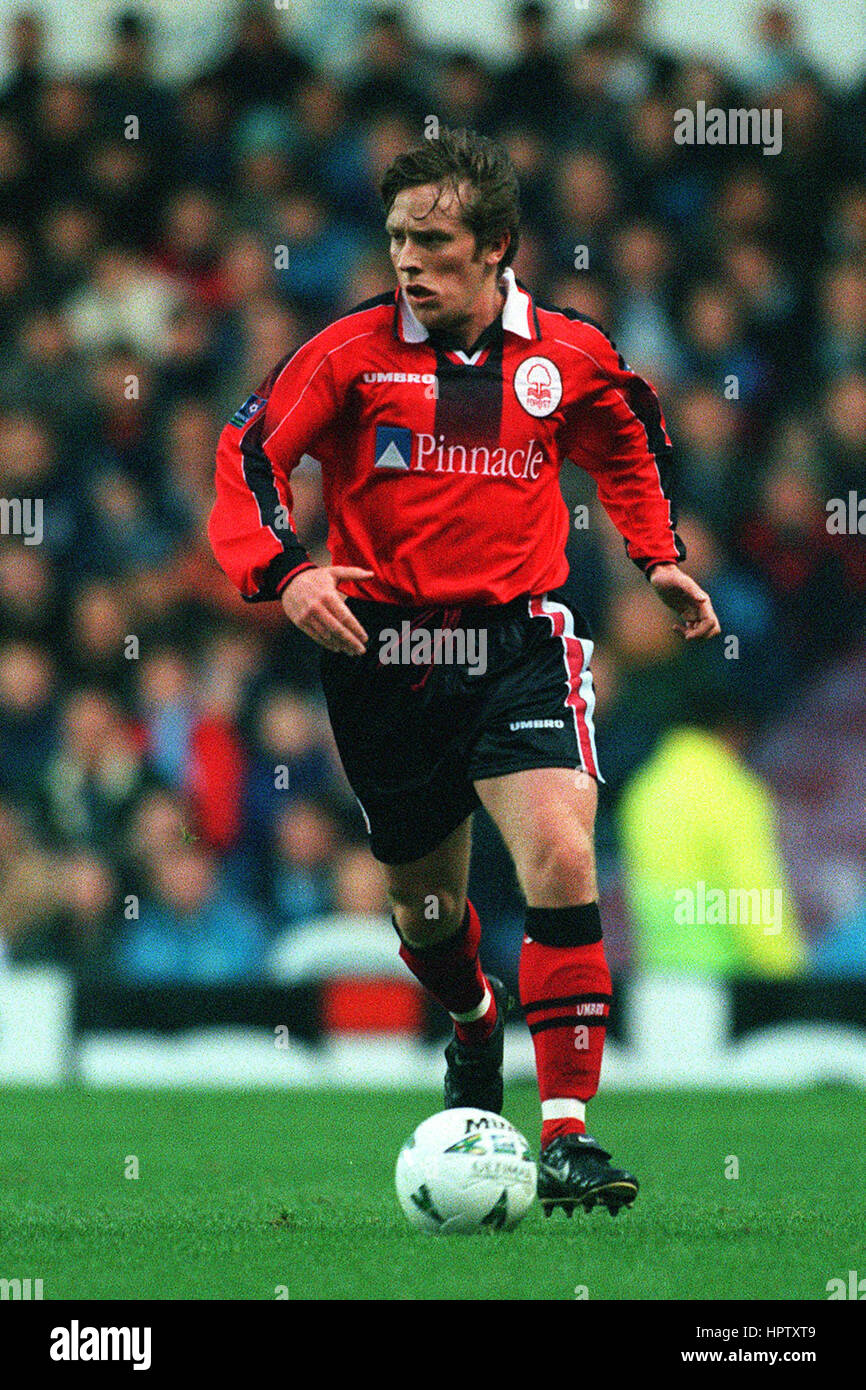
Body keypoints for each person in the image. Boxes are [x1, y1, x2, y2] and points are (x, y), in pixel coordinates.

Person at [208, 128, 720, 1218]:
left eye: (431, 240)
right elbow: (248, 451)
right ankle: (474, 1022)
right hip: (382, 654)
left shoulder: (564, 355)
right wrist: (284, 573)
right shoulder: (348, 353)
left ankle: (570, 1133)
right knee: (428, 909)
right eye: (396, 236)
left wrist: (655, 554)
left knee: (561, 847)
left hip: (516, 645)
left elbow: (625, 439)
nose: (406, 259)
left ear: (494, 248)